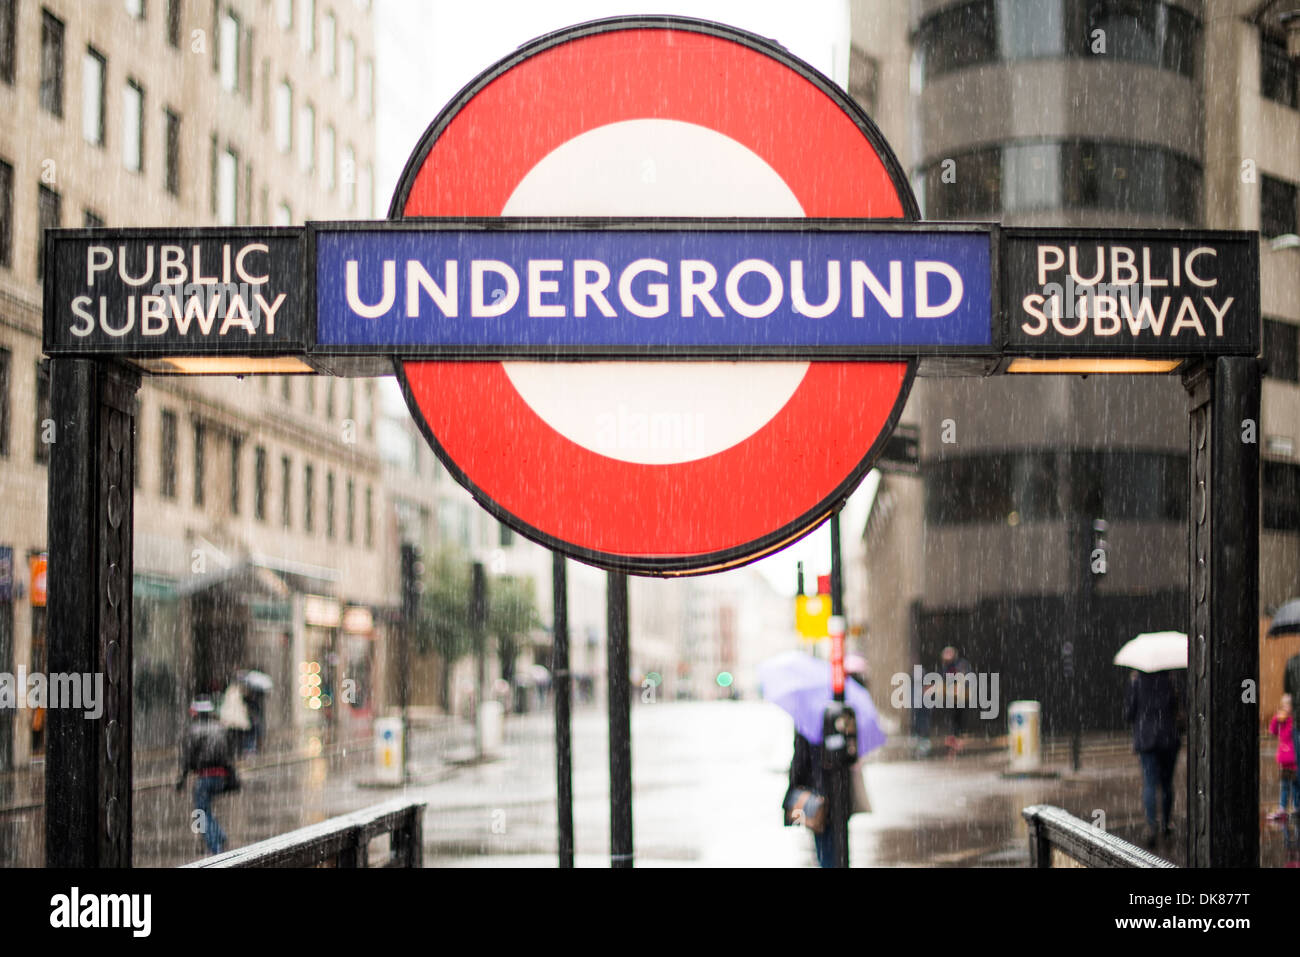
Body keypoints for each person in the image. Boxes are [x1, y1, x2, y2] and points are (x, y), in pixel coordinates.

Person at [1123, 669, 1182, 848]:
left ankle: (1151, 825)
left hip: (1146, 739)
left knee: (1149, 783)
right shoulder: (1170, 680)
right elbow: (1176, 706)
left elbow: (1128, 713)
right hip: (1168, 738)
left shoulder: (1137, 681)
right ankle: (1166, 824)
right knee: (1166, 783)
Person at [177, 699, 239, 855]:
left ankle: (216, 847)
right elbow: (229, 755)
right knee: (205, 811)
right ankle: (219, 834)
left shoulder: (193, 731)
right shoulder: (220, 728)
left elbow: (187, 758)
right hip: (220, 778)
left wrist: (182, 779)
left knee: (201, 814)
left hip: (204, 778)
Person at [784, 731, 834, 868]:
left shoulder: (807, 725)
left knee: (824, 847)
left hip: (818, 794)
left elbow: (800, 760)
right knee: (834, 846)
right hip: (837, 794)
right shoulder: (842, 713)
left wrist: (794, 787)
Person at [1268, 694, 1297, 821]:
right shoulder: (1281, 720)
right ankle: (1283, 808)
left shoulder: (1293, 721)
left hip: (1295, 760)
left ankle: (1296, 807)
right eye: (1284, 705)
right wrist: (1276, 719)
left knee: (1295, 785)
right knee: (1285, 785)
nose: (1285, 708)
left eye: (1288, 705)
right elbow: (1273, 731)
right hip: (1285, 761)